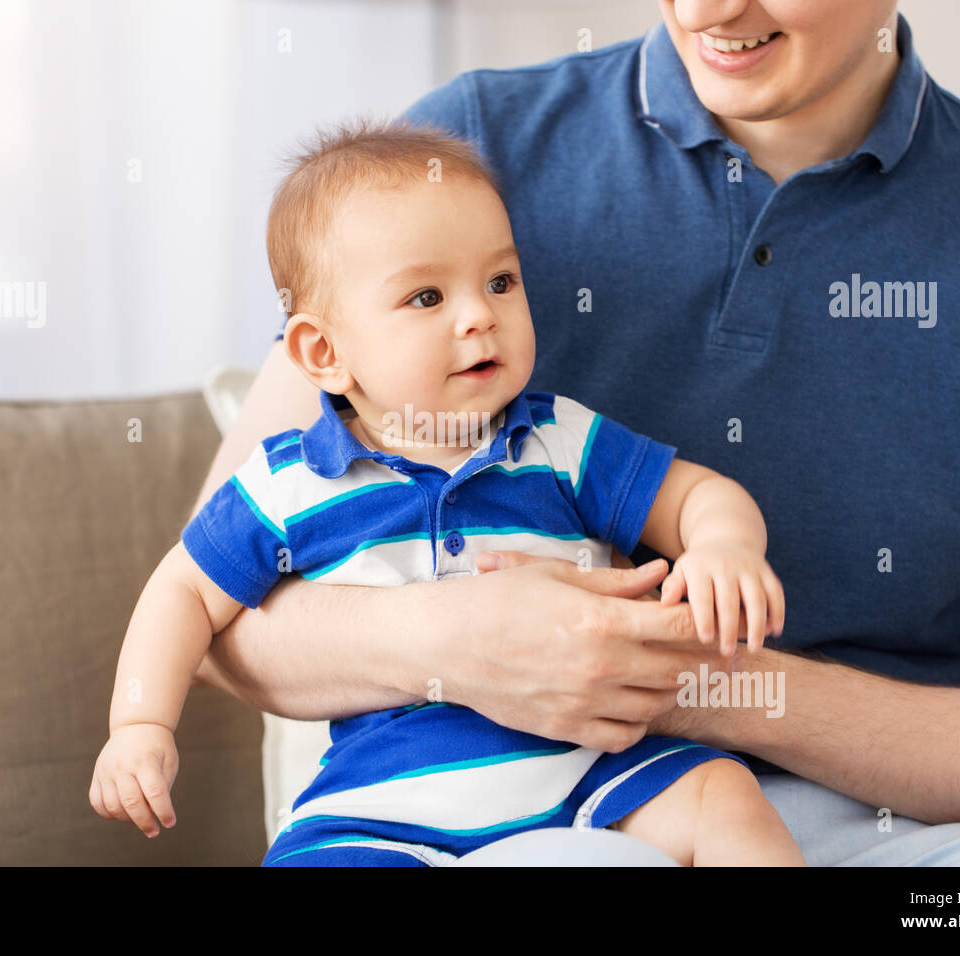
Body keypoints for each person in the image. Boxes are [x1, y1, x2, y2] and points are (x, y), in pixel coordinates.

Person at [189, 2, 960, 865]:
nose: (706, 9)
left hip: (900, 827)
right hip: (537, 812)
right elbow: (221, 617)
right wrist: (452, 640)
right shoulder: (464, 152)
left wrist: (689, 683)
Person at [90, 119, 807, 866]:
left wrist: (724, 545)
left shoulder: (559, 441)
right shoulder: (286, 484)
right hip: (379, 809)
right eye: (427, 297)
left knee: (722, 794)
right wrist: (140, 725)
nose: (479, 315)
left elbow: (697, 496)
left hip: (588, 777)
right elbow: (181, 592)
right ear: (324, 353)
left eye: (500, 282)